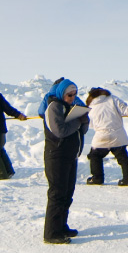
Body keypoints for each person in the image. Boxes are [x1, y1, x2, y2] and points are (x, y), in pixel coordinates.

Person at [41, 78, 90, 244]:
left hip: (69, 155)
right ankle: (51, 233)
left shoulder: (68, 106)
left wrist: (84, 121)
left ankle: (61, 226)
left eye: (75, 94)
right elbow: (60, 131)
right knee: (57, 193)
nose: (72, 97)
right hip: (57, 155)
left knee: (67, 193)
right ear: (62, 93)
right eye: (69, 94)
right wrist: (77, 121)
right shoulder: (54, 106)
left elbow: (80, 130)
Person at [85, 88, 128, 187]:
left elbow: (90, 124)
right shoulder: (112, 99)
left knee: (95, 156)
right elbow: (126, 110)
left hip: (101, 136)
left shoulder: (90, 106)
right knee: (123, 158)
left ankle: (97, 178)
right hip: (117, 135)